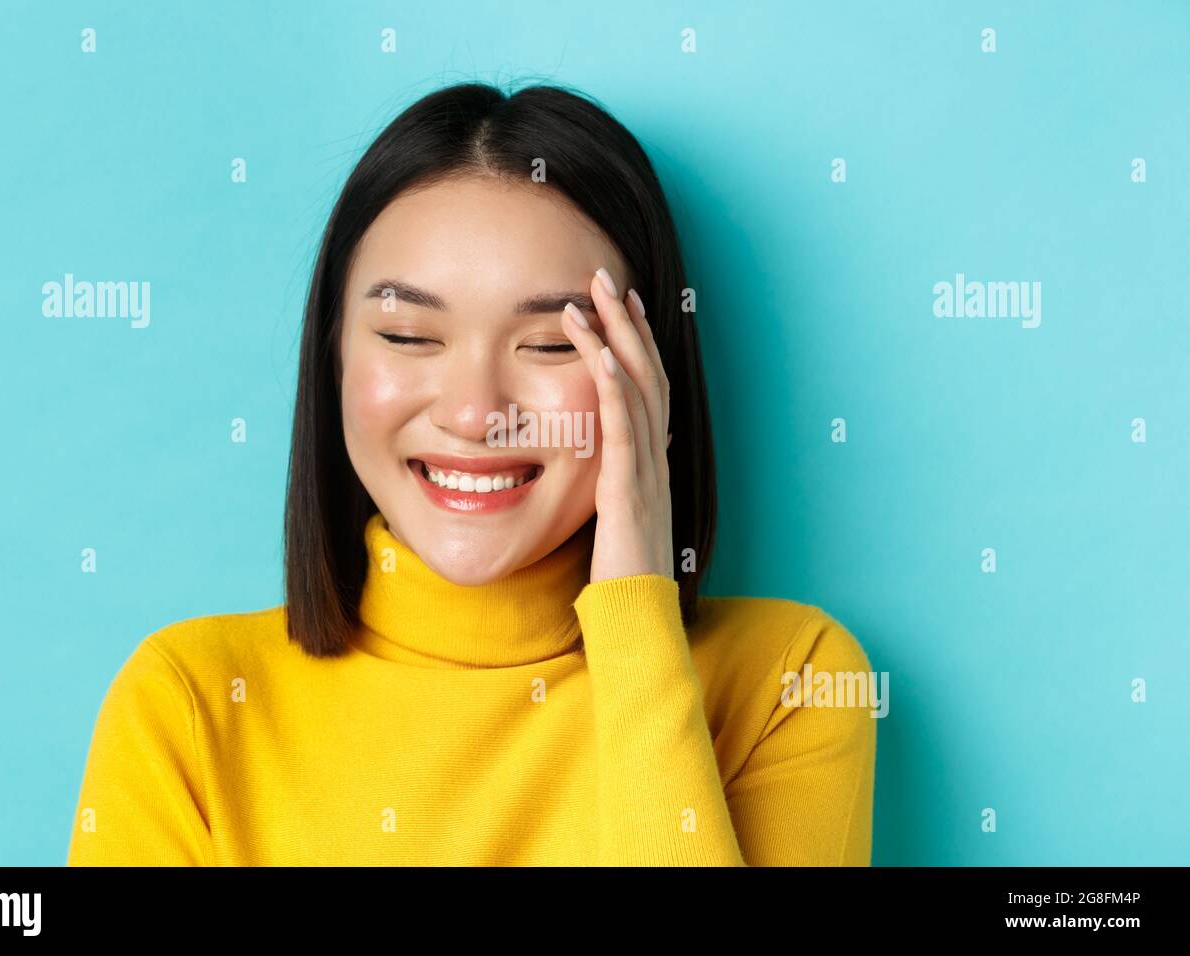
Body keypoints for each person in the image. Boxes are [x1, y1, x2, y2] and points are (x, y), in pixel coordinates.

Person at [67, 82, 876, 866]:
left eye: (554, 343)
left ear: (647, 370)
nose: (475, 413)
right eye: (411, 336)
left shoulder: (793, 683)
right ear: (334, 356)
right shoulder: (189, 707)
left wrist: (634, 619)